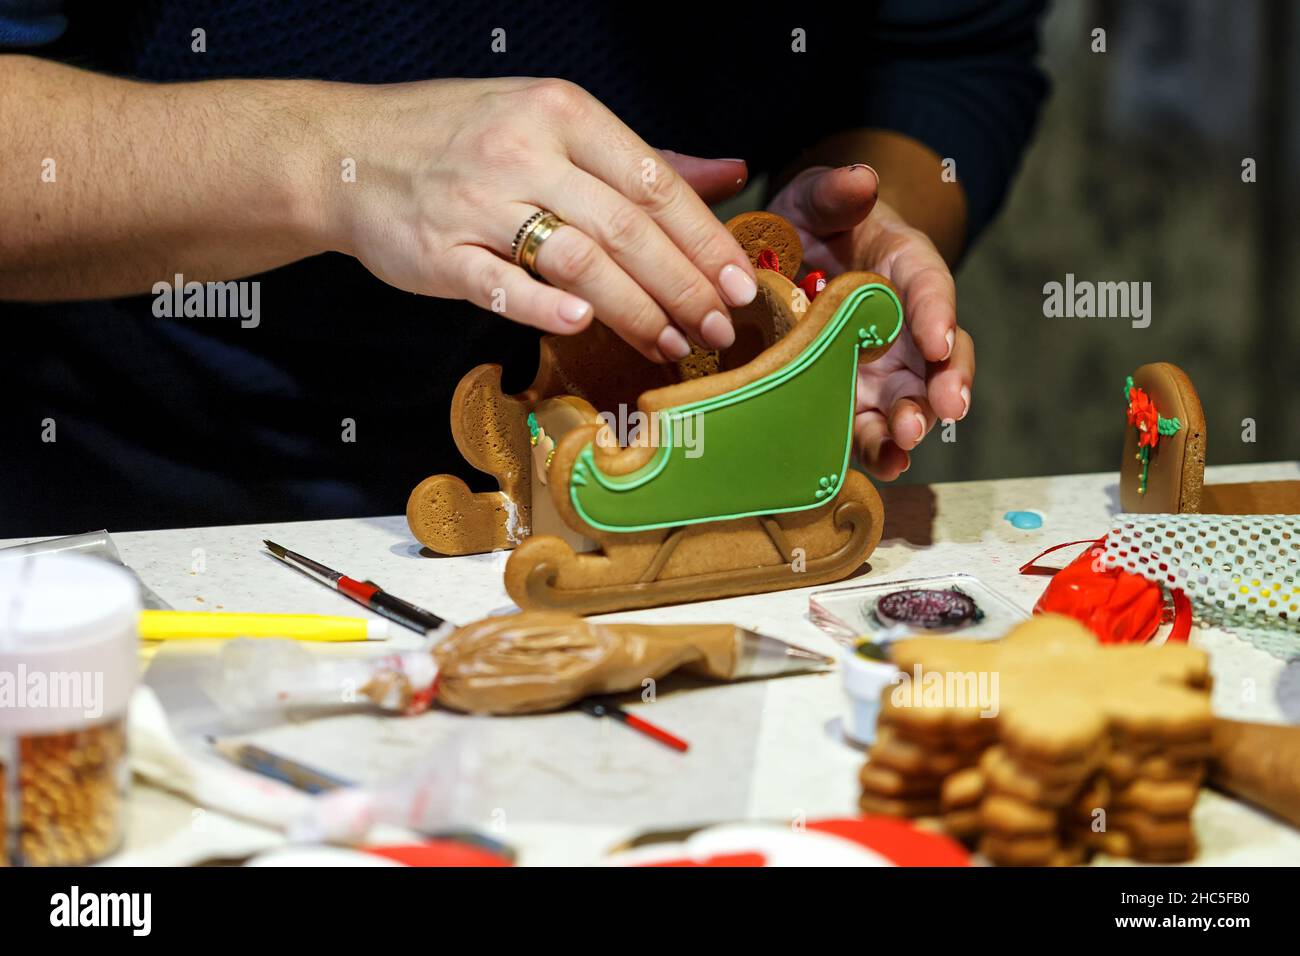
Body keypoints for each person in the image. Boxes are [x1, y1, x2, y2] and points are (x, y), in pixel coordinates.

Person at [0, 0, 1047, 537]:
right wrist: (332, 163)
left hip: (635, 478)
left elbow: (946, 52)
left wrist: (867, 215)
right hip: (110, 491)